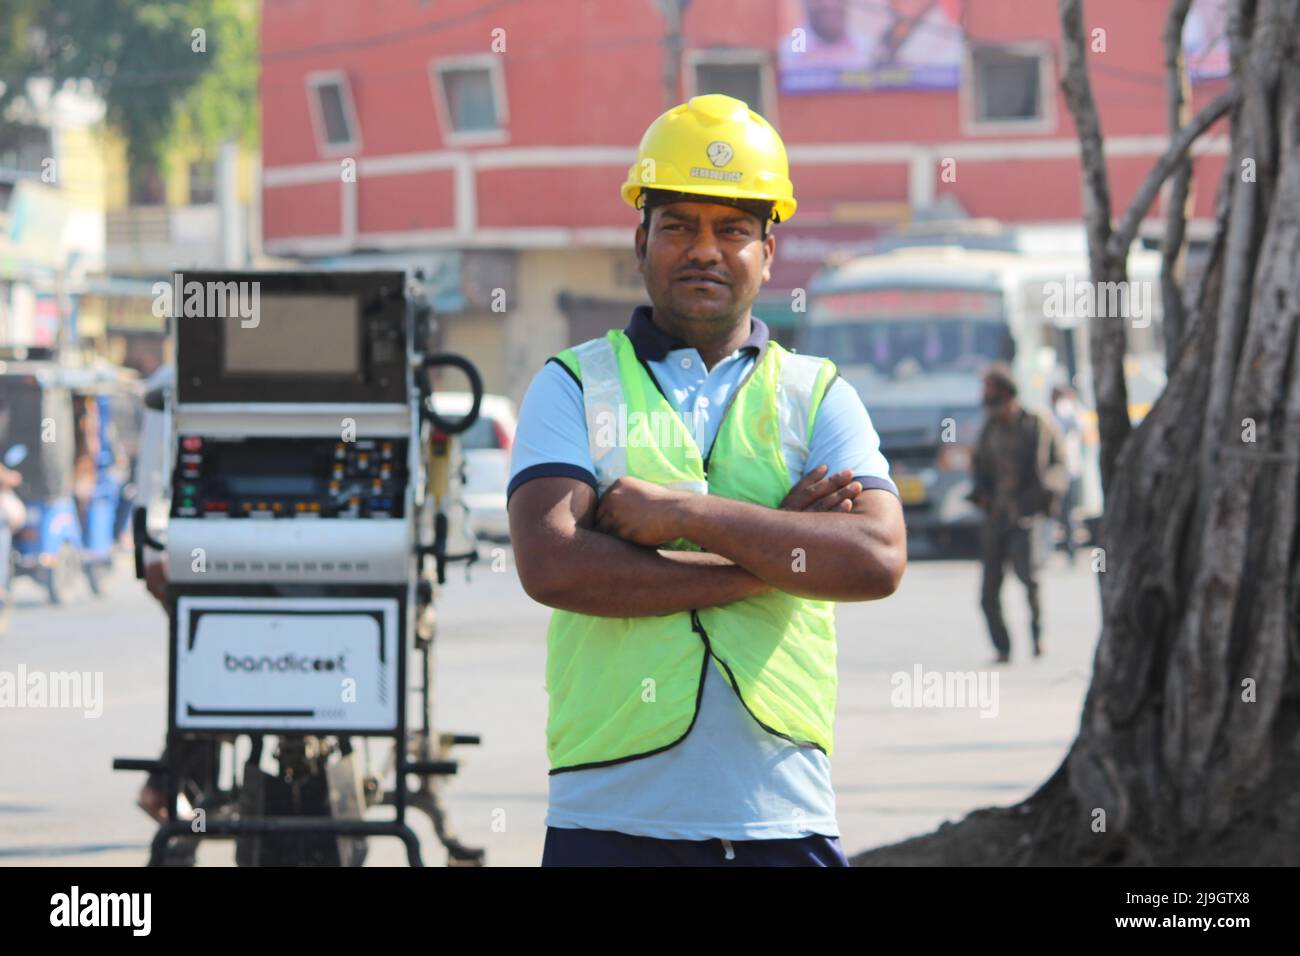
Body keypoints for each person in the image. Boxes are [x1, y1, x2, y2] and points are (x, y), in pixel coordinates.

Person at [508, 94, 907, 867]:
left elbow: (875, 560)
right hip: (609, 816)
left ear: (768, 249)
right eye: (679, 226)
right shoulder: (572, 385)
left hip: (781, 813)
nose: (705, 250)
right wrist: (772, 558)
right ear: (641, 240)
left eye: (732, 230)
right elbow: (552, 563)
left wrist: (686, 512)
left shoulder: (817, 393)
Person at [969, 364, 1067, 663]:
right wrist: (981, 496)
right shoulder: (988, 429)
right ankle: (1003, 648)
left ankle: (1038, 637)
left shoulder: (1036, 424)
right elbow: (979, 470)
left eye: (991, 391)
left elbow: (1058, 467)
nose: (986, 398)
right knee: (988, 594)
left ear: (1006, 392)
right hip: (996, 518)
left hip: (1025, 517)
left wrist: (1046, 494)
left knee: (1031, 580)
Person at [1049, 385, 1084, 562]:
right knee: (1055, 511)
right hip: (1055, 472)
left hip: (1068, 470)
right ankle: (1050, 550)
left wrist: (1072, 401)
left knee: (1068, 511)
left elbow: (1080, 426)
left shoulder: (1066, 411)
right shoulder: (1049, 413)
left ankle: (1071, 550)